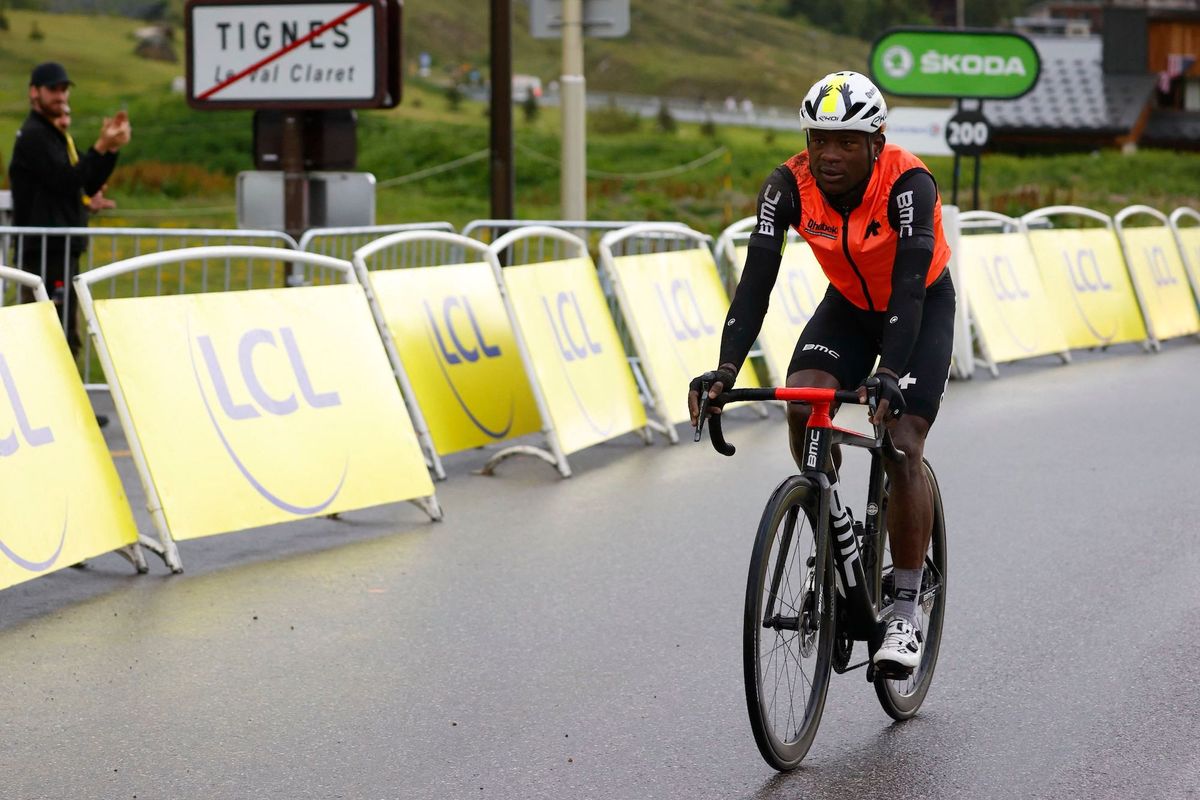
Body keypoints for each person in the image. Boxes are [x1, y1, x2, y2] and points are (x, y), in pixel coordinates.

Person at [688, 71, 955, 676]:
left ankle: (907, 609)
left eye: (845, 143)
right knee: (803, 401)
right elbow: (756, 282)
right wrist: (726, 369)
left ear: (875, 143)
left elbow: (910, 286)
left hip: (917, 307)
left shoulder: (908, 183)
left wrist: (889, 372)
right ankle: (836, 538)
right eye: (818, 141)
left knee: (903, 441)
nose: (828, 156)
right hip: (849, 310)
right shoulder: (787, 186)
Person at [8, 61, 130, 355]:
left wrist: (109, 150)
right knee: (46, 337)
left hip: (60, 250)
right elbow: (66, 180)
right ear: (33, 92)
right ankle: (40, 398)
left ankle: (59, 396)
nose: (61, 96)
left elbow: (81, 185)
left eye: (64, 90)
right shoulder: (35, 135)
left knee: (63, 333)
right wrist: (100, 148)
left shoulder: (53, 135)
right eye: (53, 89)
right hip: (44, 252)